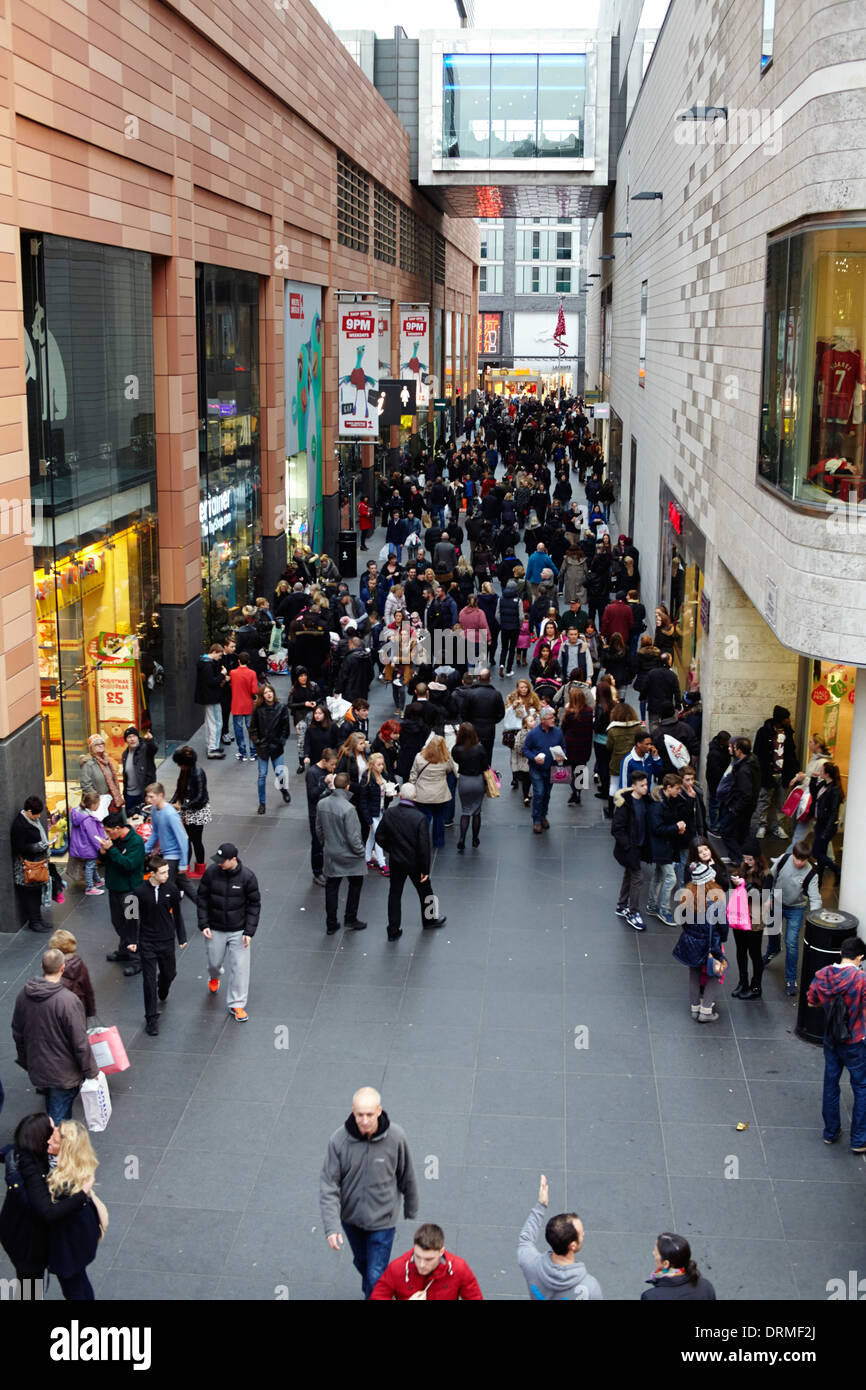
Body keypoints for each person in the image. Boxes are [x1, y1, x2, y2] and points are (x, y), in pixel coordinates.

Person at [319, 1086, 419, 1299]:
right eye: (359, 1115)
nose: (364, 1120)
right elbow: (329, 1185)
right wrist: (331, 1227)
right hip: (351, 1219)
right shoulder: (338, 1141)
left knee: (375, 1275)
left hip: (383, 1221)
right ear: (353, 1112)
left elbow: (407, 1173)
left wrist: (411, 1206)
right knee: (363, 1263)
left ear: (379, 1111)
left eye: (369, 1114)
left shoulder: (396, 1137)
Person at [0, 1112, 96, 1298]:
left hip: (65, 1241)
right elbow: (45, 1210)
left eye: (55, 1133)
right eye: (51, 1129)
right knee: (31, 1286)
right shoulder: (30, 1160)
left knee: (74, 1285)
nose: (53, 1132)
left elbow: (49, 1210)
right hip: (30, 1241)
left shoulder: (71, 1173)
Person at [11, 948, 99, 1123]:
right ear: (62, 968)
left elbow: (17, 1031)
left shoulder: (24, 994)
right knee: (58, 1119)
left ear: (42, 965)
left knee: (53, 1105)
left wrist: (26, 1060)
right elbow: (79, 1042)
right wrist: (91, 1071)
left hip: (38, 1064)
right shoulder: (68, 1001)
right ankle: (53, 1149)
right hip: (63, 1071)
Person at [806, 935, 866, 1153]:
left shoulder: (822, 975)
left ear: (841, 953)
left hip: (832, 1037)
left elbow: (811, 1001)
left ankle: (831, 1132)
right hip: (855, 1040)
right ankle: (859, 1139)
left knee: (831, 1083)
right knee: (861, 1086)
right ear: (860, 957)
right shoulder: (861, 980)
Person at [197, 842, 260, 1021]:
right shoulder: (211, 873)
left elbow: (254, 904)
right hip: (215, 928)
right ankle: (214, 976)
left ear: (233, 860)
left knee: (240, 968)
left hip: (238, 930)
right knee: (213, 963)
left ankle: (237, 1004)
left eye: (222, 861)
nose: (219, 864)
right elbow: (202, 898)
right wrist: (204, 924)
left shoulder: (248, 877)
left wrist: (249, 931)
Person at [374, 783, 446, 939]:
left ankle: (393, 930)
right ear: (415, 797)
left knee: (394, 894)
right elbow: (424, 847)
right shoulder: (419, 818)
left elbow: (379, 836)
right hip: (415, 864)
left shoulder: (390, 813)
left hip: (396, 861)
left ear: (400, 796)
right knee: (426, 891)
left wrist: (391, 849)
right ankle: (430, 920)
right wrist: (425, 870)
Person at [46, 1120, 108, 1300]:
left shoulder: (60, 1183)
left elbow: (48, 1211)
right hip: (72, 1242)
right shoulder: (75, 1169)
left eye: (54, 1140)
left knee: (32, 1279)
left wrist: (14, 1183)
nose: (48, 1141)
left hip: (54, 1245)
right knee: (77, 1282)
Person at [127, 856, 187, 1036]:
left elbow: (177, 914)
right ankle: (151, 1019)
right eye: (163, 873)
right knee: (148, 981)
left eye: (167, 871)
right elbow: (131, 917)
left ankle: (164, 986)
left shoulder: (172, 889)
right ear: (151, 874)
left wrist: (181, 936)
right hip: (147, 942)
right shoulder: (138, 892)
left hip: (167, 939)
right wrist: (131, 940)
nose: (167, 875)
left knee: (170, 973)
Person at [518, 1174, 602, 1301]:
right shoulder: (590, 1287)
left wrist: (541, 1205)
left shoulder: (530, 1264)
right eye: (581, 1232)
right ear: (572, 1245)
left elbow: (525, 1240)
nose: (583, 1234)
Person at [673, 840, 731, 1022]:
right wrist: (722, 939)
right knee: (716, 972)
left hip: (691, 940)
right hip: (710, 941)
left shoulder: (687, 895)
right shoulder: (716, 897)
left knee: (694, 972)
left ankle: (694, 1007)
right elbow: (723, 925)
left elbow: (682, 918)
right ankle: (706, 1010)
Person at [762, 839, 822, 995]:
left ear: (807, 858)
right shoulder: (784, 859)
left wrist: (813, 921)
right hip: (777, 900)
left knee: (792, 943)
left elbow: (815, 899)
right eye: (797, 858)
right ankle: (773, 950)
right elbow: (770, 876)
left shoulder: (811, 873)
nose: (799, 862)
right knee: (772, 931)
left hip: (796, 908)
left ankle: (790, 979)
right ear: (793, 854)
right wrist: (768, 897)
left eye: (803, 860)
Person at [370, 1223, 483, 1300]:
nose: (422, 1265)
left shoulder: (459, 1269)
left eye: (429, 1259)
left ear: (441, 1251)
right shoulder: (397, 1268)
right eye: (418, 1256)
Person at [316, 772, 368, 935]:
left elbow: (318, 829)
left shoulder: (322, 804)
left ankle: (331, 922)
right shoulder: (349, 808)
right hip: (350, 855)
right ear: (347, 787)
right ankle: (350, 918)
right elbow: (353, 837)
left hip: (331, 852)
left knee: (332, 887)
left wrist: (326, 844)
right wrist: (361, 852)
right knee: (355, 884)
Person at [98, 810, 146, 967]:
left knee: (132, 924)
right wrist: (103, 852)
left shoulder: (135, 842)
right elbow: (108, 859)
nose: (107, 834)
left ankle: (137, 959)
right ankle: (125, 950)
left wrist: (111, 850)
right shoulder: (114, 840)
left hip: (130, 891)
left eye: (108, 831)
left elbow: (129, 865)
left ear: (118, 828)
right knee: (118, 922)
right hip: (114, 888)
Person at [730, 840, 770, 1000]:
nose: (746, 862)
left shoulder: (767, 874)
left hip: (755, 918)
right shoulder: (743, 867)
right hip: (740, 914)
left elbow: (764, 897)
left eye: (750, 859)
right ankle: (743, 982)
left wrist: (746, 885)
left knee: (754, 953)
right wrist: (735, 882)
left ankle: (756, 986)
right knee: (740, 951)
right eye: (745, 858)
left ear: (757, 858)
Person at [611, 770, 651, 930]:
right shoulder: (625, 804)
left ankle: (621, 905)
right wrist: (628, 846)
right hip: (630, 849)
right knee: (637, 877)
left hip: (639, 846)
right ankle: (633, 912)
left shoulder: (646, 801)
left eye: (646, 784)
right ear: (633, 786)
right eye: (642, 785)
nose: (645, 788)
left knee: (629, 875)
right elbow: (617, 829)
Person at [645, 773, 687, 925]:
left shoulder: (666, 801)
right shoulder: (657, 805)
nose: (679, 792)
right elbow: (657, 828)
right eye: (677, 788)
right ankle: (664, 910)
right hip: (661, 846)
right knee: (670, 878)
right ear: (669, 788)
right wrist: (676, 827)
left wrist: (676, 828)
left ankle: (651, 905)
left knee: (659, 876)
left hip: (663, 846)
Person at [144, 783, 196, 900]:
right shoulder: (154, 811)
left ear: (160, 795)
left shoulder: (170, 814)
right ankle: (206, 909)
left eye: (152, 797)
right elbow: (155, 833)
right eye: (148, 796)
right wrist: (145, 849)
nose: (148, 800)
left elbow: (183, 838)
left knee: (166, 888)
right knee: (185, 885)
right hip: (168, 855)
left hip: (173, 856)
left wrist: (183, 863)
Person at [754, 704, 799, 838]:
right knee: (764, 801)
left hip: (784, 773)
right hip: (768, 772)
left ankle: (778, 826)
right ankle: (762, 826)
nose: (789, 721)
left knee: (782, 803)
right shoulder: (764, 732)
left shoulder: (789, 733)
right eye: (786, 718)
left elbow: (791, 754)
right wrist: (761, 771)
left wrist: (793, 771)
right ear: (780, 719)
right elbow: (758, 753)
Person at [523, 705, 567, 834]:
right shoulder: (533, 733)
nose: (553, 720)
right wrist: (534, 758)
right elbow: (525, 749)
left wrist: (561, 756)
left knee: (547, 794)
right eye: (549, 718)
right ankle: (536, 820)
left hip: (552, 768)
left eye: (553, 717)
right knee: (539, 793)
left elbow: (563, 746)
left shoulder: (557, 732)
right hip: (536, 768)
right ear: (542, 720)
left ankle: (543, 816)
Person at [249, 683, 292, 815]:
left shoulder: (281, 708)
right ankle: (262, 803)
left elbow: (286, 728)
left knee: (279, 773)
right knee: (262, 776)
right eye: (266, 692)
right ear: (262, 695)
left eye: (270, 691)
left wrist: (281, 741)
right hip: (263, 747)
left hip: (276, 746)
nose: (269, 694)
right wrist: (257, 742)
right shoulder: (257, 709)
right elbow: (253, 728)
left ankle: (283, 790)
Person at [718, 736, 761, 864]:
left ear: (739, 751)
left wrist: (734, 809)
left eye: (733, 747)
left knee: (727, 832)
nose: (730, 748)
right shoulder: (749, 762)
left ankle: (739, 859)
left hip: (739, 809)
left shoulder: (744, 770)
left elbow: (745, 794)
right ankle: (745, 858)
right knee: (742, 833)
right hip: (744, 808)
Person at [409, 735, 455, 850]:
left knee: (425, 818)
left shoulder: (419, 757)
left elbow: (413, 775)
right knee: (439, 817)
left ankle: (422, 841)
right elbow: (450, 770)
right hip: (440, 794)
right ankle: (438, 842)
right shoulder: (446, 759)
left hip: (423, 794)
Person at [171, 746, 210, 879]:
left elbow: (200, 796)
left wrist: (183, 807)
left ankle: (200, 869)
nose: (179, 767)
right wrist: (172, 802)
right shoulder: (185, 770)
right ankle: (186, 867)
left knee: (195, 840)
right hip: (187, 808)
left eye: (181, 764)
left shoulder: (198, 772)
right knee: (186, 839)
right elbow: (178, 789)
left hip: (196, 810)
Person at [640, 1234, 716, 1301]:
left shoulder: (651, 1296)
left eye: (656, 1252)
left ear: (666, 1263)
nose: (653, 1253)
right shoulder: (706, 1287)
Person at [451, 721, 489, 852]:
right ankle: (475, 838)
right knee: (477, 812)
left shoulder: (456, 749)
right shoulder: (479, 748)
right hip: (477, 780)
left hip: (464, 781)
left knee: (465, 811)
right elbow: (485, 766)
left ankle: (462, 838)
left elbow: (455, 760)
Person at [457, 669, 505, 768]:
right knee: (487, 755)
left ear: (478, 678)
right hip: (489, 730)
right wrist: (492, 721)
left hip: (473, 729)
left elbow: (464, 712)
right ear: (490, 679)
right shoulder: (496, 694)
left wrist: (469, 722)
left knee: (471, 754)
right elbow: (501, 713)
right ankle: (486, 777)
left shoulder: (470, 693)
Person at [48, 929, 96, 1024]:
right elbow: (87, 989)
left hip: (57, 1010)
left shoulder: (51, 964)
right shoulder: (79, 964)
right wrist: (91, 1011)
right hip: (78, 1008)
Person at [306, 747, 337, 887]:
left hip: (328, 809)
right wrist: (324, 782)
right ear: (324, 761)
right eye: (332, 764)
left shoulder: (329, 771)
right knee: (317, 843)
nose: (333, 767)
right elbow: (312, 796)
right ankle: (317, 872)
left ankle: (326, 867)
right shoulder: (312, 772)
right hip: (316, 813)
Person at [811, 761, 844, 886]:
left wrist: (827, 831)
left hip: (827, 827)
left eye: (821, 770)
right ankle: (818, 881)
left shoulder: (834, 790)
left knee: (816, 853)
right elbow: (814, 793)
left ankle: (837, 869)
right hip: (820, 824)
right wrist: (813, 779)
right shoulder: (823, 784)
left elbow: (834, 812)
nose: (819, 772)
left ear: (827, 774)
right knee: (821, 855)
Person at [194, 644, 229, 759]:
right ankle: (213, 748)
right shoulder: (208, 665)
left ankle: (211, 745)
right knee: (217, 722)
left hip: (207, 697)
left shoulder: (203, 663)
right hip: (212, 697)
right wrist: (222, 675)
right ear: (214, 652)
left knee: (210, 722)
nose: (220, 658)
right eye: (219, 655)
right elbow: (213, 682)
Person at [359, 751, 392, 876]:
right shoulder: (367, 779)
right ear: (372, 765)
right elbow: (363, 801)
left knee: (372, 836)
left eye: (382, 764)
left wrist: (390, 794)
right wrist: (368, 819)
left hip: (381, 811)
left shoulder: (383, 775)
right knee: (379, 837)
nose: (382, 767)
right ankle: (382, 864)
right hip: (373, 813)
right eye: (379, 764)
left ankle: (367, 858)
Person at [69, 792, 106, 896]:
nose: (99, 805)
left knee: (92, 864)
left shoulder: (78, 813)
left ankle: (97, 880)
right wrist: (100, 847)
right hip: (88, 847)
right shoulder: (88, 819)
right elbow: (94, 836)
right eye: (98, 803)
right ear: (93, 805)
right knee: (90, 865)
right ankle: (90, 887)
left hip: (81, 845)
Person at [121, 726, 158, 815]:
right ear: (126, 740)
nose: (132, 739)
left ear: (138, 738)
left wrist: (150, 740)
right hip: (129, 795)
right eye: (129, 737)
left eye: (134, 736)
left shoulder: (145, 748)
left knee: (145, 822)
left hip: (143, 795)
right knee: (131, 822)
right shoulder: (125, 754)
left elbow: (153, 749)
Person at [229, 650, 259, 761]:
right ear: (248, 661)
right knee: (251, 729)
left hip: (236, 705)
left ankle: (242, 752)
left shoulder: (233, 673)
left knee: (238, 730)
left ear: (238, 661)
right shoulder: (252, 673)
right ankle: (253, 752)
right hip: (248, 705)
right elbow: (254, 690)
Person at [641, 653, 681, 732]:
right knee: (667, 725)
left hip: (654, 705)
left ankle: (654, 739)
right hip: (667, 707)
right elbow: (677, 692)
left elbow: (645, 687)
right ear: (669, 662)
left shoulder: (652, 673)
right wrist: (677, 706)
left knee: (653, 724)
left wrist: (642, 698)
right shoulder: (673, 676)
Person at [302, 702, 335, 770]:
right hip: (315, 759)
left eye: (320, 713)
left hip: (329, 759)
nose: (317, 715)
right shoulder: (311, 728)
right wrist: (306, 756)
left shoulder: (332, 727)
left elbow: (337, 742)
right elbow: (307, 743)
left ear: (325, 714)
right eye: (315, 713)